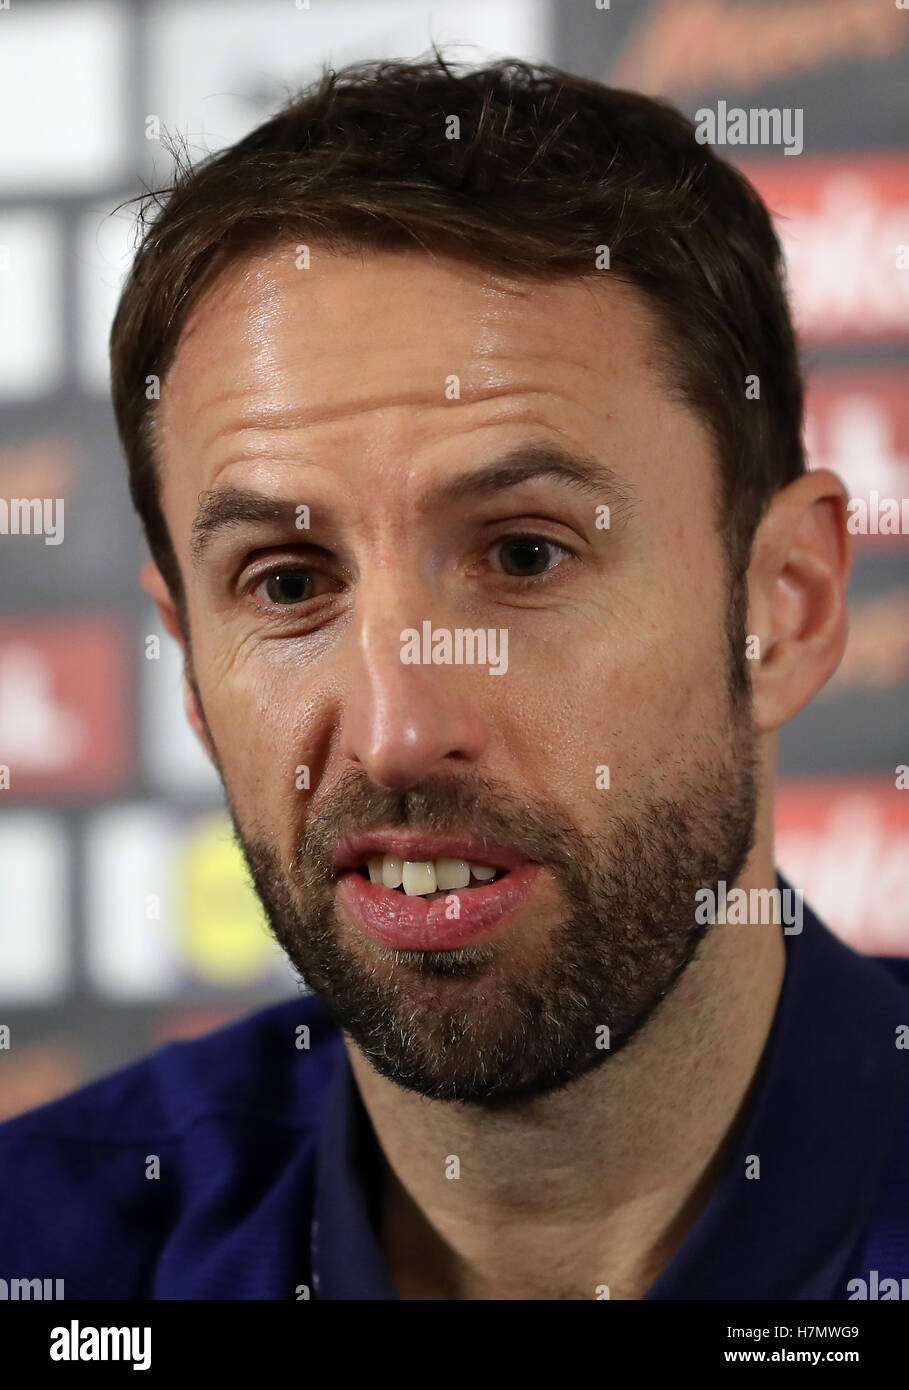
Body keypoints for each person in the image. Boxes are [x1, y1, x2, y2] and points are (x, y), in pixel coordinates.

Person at [1, 54, 906, 1302]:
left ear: (786, 608)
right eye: (287, 582)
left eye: (525, 554)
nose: (396, 730)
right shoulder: (43, 1254)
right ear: (197, 677)